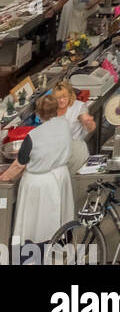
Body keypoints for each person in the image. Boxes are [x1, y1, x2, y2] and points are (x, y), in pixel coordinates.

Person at [0, 93, 74, 246]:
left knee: (37, 225)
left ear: (38, 113)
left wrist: (3, 178)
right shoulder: (64, 123)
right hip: (61, 175)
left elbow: (19, 164)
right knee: (58, 219)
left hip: (39, 184)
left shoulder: (34, 135)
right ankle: (58, 247)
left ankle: (35, 252)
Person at [52, 82, 95, 174]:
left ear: (70, 96)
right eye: (58, 98)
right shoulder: (51, 108)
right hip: (57, 154)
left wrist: (89, 123)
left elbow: (89, 125)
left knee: (75, 183)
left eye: (65, 97)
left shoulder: (78, 106)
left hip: (75, 154)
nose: (62, 100)